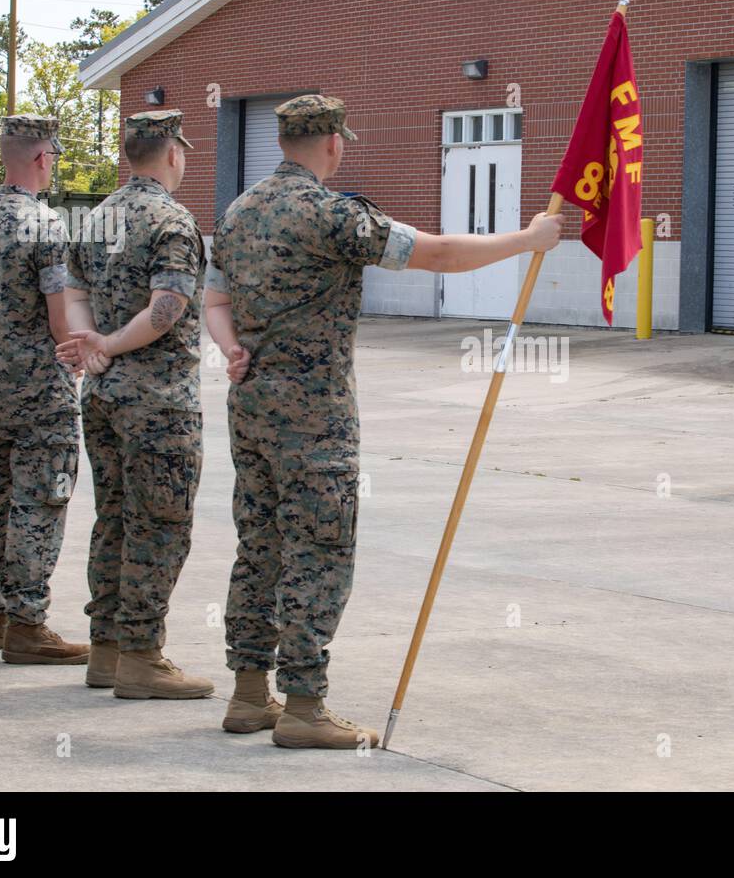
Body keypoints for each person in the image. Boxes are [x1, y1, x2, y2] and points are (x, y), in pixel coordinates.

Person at [206, 94, 564, 748]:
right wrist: (528, 239)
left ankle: (250, 694)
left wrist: (229, 345)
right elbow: (439, 255)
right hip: (315, 417)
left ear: (283, 141)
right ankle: (305, 707)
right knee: (319, 552)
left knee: (259, 547)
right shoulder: (335, 216)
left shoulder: (237, 212)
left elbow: (214, 296)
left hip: (251, 410)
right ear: (333, 144)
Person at [57, 109, 213, 699]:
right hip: (157, 402)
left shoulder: (98, 216)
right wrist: (110, 343)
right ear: (172, 152)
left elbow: (72, 291)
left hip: (102, 395)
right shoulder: (171, 221)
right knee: (160, 526)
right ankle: (142, 657)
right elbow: (166, 307)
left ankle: (107, 649)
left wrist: (90, 345)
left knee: (114, 517)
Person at [0, 114, 89, 660]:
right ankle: (27, 623)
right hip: (40, 393)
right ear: (41, 158)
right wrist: (79, 355)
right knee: (40, 501)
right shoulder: (44, 224)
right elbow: (61, 319)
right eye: (53, 157)